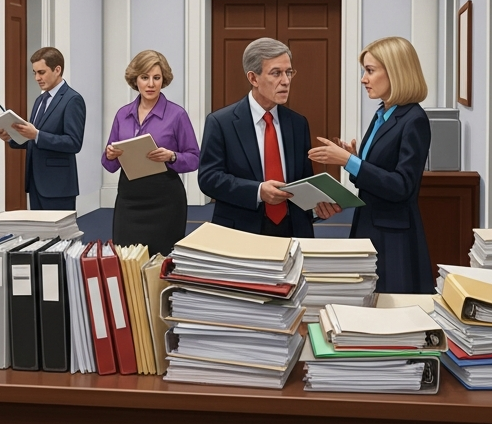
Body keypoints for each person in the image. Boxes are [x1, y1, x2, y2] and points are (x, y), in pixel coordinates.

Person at [308, 36, 434, 293]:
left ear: (395, 71)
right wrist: (355, 159)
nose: (363, 79)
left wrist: (350, 161)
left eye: (370, 70)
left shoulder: (414, 119)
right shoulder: (382, 113)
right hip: (368, 223)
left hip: (393, 235)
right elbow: (378, 173)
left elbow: (402, 186)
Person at [198, 37, 335, 238]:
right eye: (276, 73)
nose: (286, 81)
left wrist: (317, 207)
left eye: (289, 72)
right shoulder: (221, 122)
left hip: (292, 230)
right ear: (253, 78)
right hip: (240, 231)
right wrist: (258, 191)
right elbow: (209, 179)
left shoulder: (298, 123)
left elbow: (302, 181)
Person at [101, 50, 200, 255]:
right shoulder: (122, 114)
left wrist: (171, 156)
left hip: (165, 200)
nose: (151, 84)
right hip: (129, 199)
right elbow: (109, 164)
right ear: (135, 79)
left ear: (164, 80)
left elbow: (194, 158)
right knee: (126, 258)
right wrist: (110, 155)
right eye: (145, 77)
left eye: (156, 78)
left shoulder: (177, 114)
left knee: (162, 260)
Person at [0, 47, 85, 210]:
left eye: (41, 72)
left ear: (57, 70)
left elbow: (73, 143)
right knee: (38, 227)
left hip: (58, 186)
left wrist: (37, 135)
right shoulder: (40, 100)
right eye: (34, 73)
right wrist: (10, 137)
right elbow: (32, 140)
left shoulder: (72, 100)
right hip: (35, 183)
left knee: (58, 228)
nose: (37, 78)